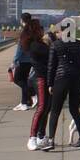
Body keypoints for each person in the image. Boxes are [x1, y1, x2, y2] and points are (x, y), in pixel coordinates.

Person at [44, 20, 80, 150]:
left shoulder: (56, 45)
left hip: (61, 79)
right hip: (76, 80)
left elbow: (51, 66)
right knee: (74, 109)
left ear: (63, 30)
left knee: (55, 110)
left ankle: (51, 140)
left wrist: (50, 83)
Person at [25, 20, 51, 150]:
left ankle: (41, 135)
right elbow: (51, 53)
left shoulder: (40, 44)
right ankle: (32, 137)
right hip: (40, 78)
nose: (43, 30)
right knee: (41, 107)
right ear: (36, 31)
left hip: (46, 78)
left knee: (46, 107)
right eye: (41, 28)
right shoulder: (36, 45)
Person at [10, 13, 35, 110]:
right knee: (24, 80)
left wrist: (14, 60)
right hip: (30, 60)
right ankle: (25, 102)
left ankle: (32, 94)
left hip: (22, 60)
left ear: (22, 21)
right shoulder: (32, 30)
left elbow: (20, 48)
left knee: (17, 80)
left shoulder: (24, 32)